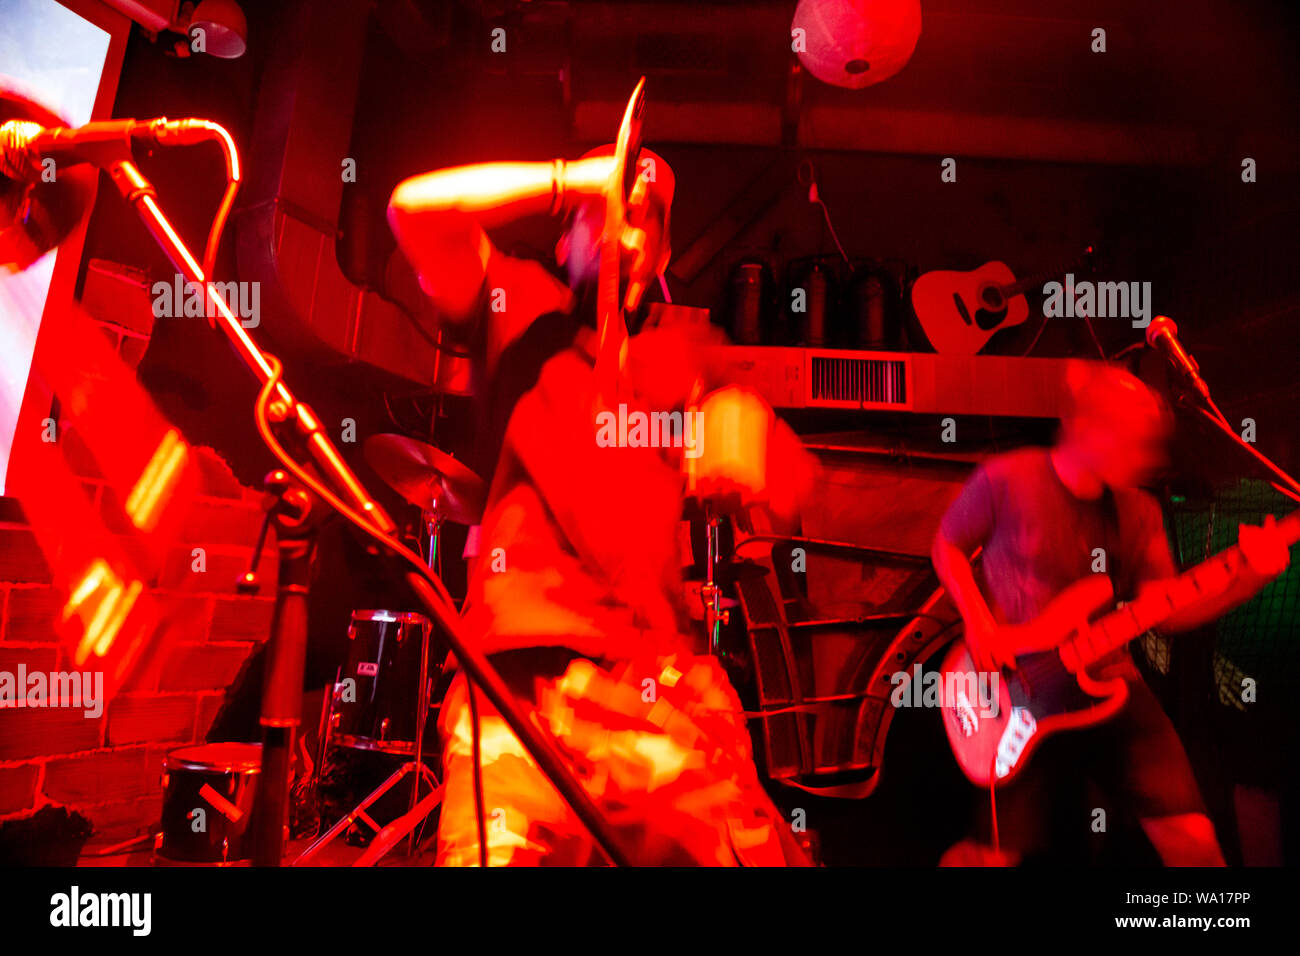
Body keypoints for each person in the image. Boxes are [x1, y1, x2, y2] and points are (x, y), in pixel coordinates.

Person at [387, 141, 813, 865]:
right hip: (521, 695)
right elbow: (414, 210)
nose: (629, 230)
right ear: (568, 234)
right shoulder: (519, 304)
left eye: (649, 220)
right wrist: (569, 179)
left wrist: (758, 441)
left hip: (657, 686)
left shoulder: (682, 353)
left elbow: (793, 493)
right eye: (608, 214)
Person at [931, 364, 1291, 865]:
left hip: (1106, 683)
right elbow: (946, 545)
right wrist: (978, 620)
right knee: (988, 860)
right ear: (1088, 429)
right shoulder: (1008, 477)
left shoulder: (1138, 510)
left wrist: (1248, 579)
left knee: (1194, 844)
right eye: (1133, 442)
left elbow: (1166, 610)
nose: (1147, 459)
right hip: (1012, 692)